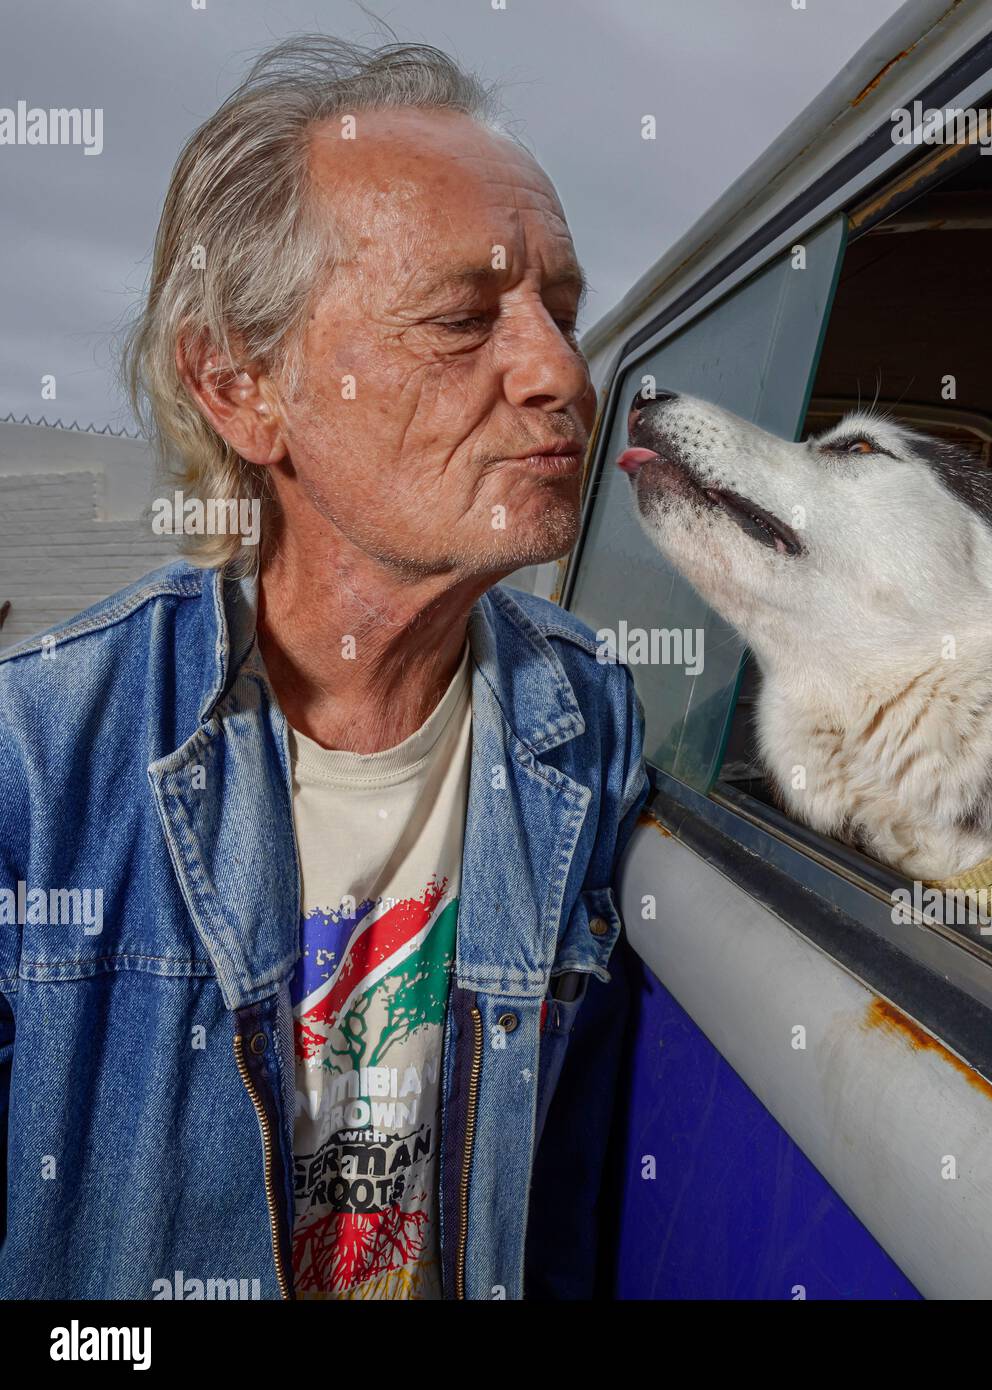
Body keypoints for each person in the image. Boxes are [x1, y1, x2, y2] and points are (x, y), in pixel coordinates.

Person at [0, 36, 648, 1301]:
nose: (562, 373)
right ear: (242, 385)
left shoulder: (589, 721)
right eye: (464, 318)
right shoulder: (38, 761)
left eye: (561, 314)